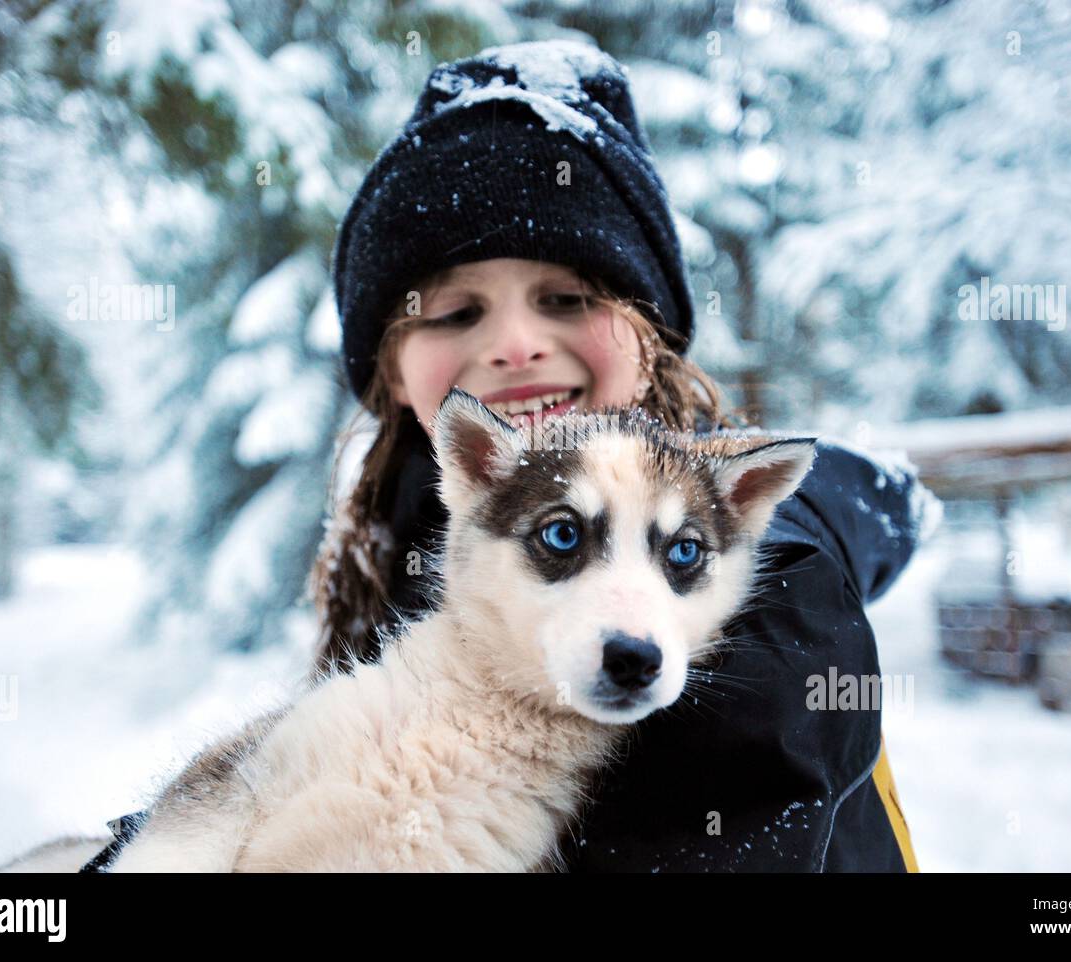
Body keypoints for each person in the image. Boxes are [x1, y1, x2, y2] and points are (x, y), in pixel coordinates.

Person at [307, 39, 929, 872]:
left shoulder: (765, 599)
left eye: (567, 299)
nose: (517, 345)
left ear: (650, 336)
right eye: (456, 313)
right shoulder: (405, 539)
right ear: (392, 368)